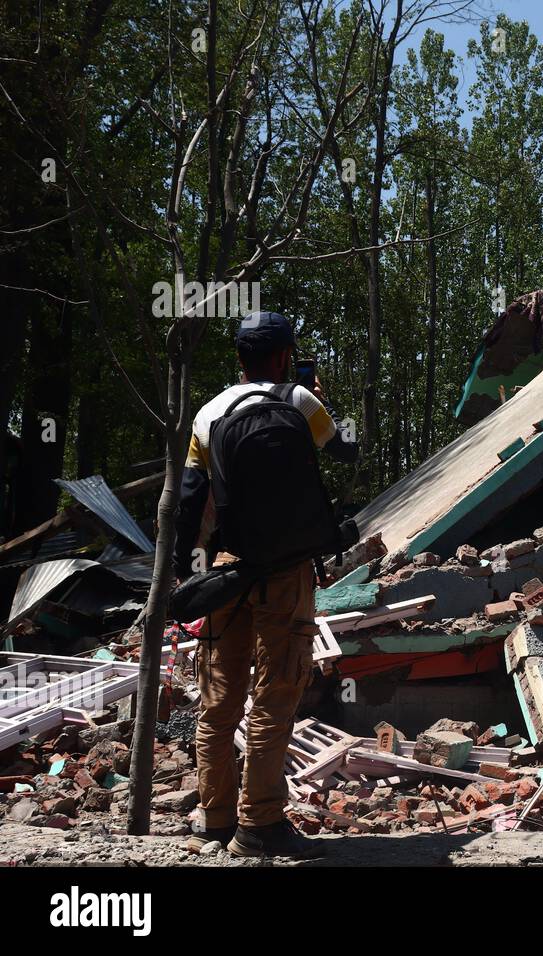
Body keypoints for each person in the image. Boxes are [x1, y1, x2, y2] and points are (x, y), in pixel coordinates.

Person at [173, 311, 356, 858]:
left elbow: (188, 499)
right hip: (287, 570)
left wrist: (192, 571)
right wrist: (318, 398)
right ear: (283, 356)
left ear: (238, 359)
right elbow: (347, 451)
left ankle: (216, 818)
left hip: (229, 570)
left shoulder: (210, 413)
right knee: (275, 694)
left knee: (219, 696)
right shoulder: (299, 402)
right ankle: (260, 825)